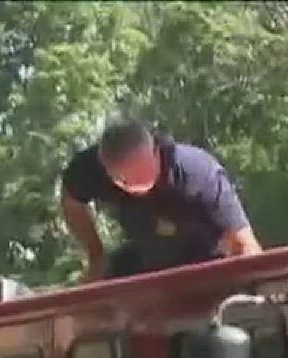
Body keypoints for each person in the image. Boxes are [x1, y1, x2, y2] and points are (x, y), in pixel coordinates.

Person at [60, 119, 262, 282]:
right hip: (144, 259)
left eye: (144, 172)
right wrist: (95, 253)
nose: (139, 185)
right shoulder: (86, 171)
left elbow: (245, 245)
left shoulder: (197, 172)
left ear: (156, 152)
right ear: (105, 170)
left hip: (207, 259)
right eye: (126, 181)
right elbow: (71, 200)